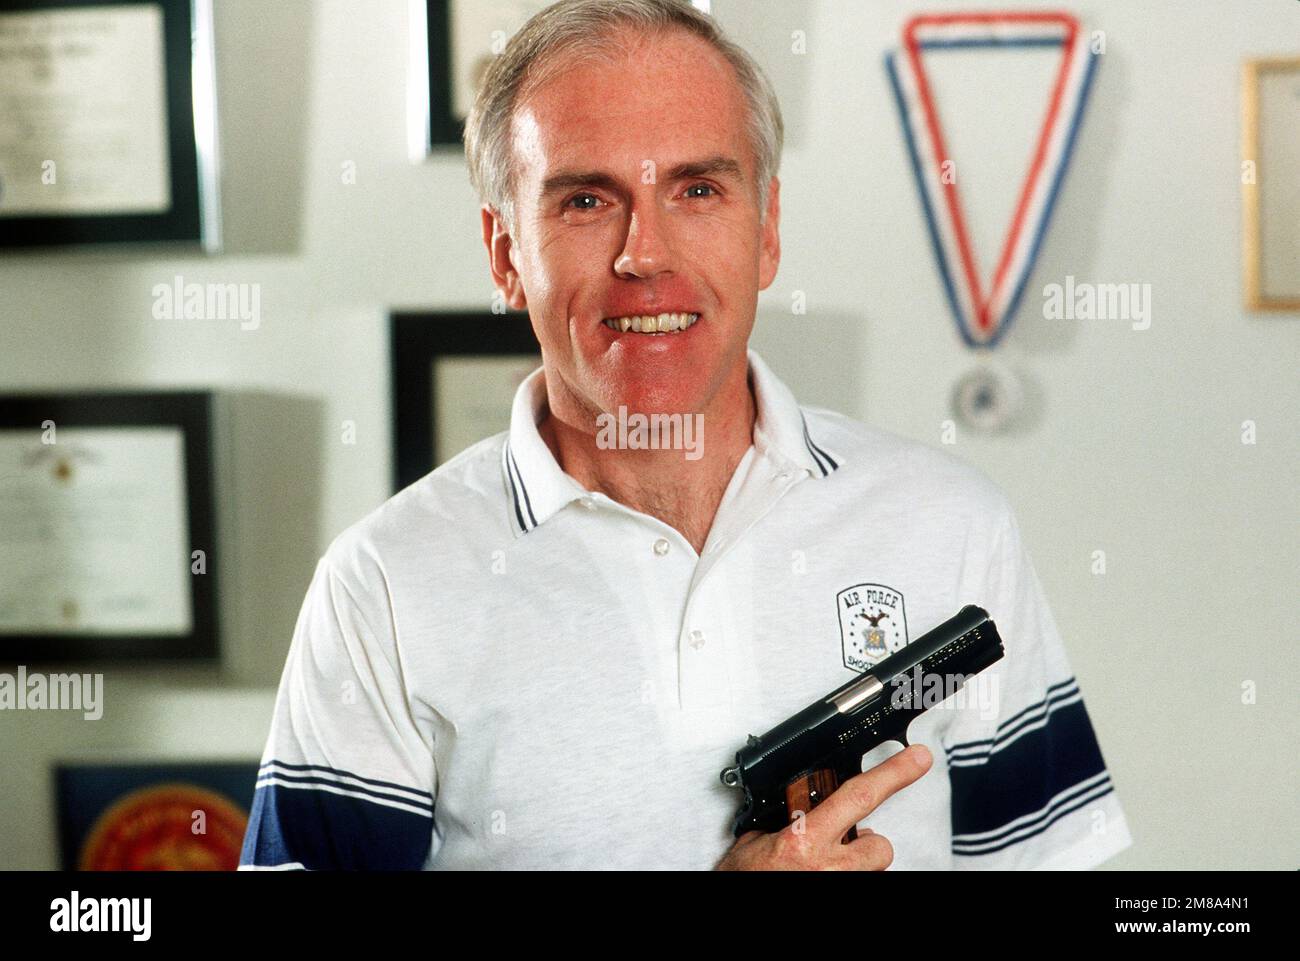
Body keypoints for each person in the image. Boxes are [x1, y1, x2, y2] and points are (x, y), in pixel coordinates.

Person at [239, 0, 1132, 870]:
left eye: (698, 189)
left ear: (768, 230)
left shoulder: (952, 524)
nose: (646, 255)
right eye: (587, 200)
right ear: (507, 254)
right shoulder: (383, 589)